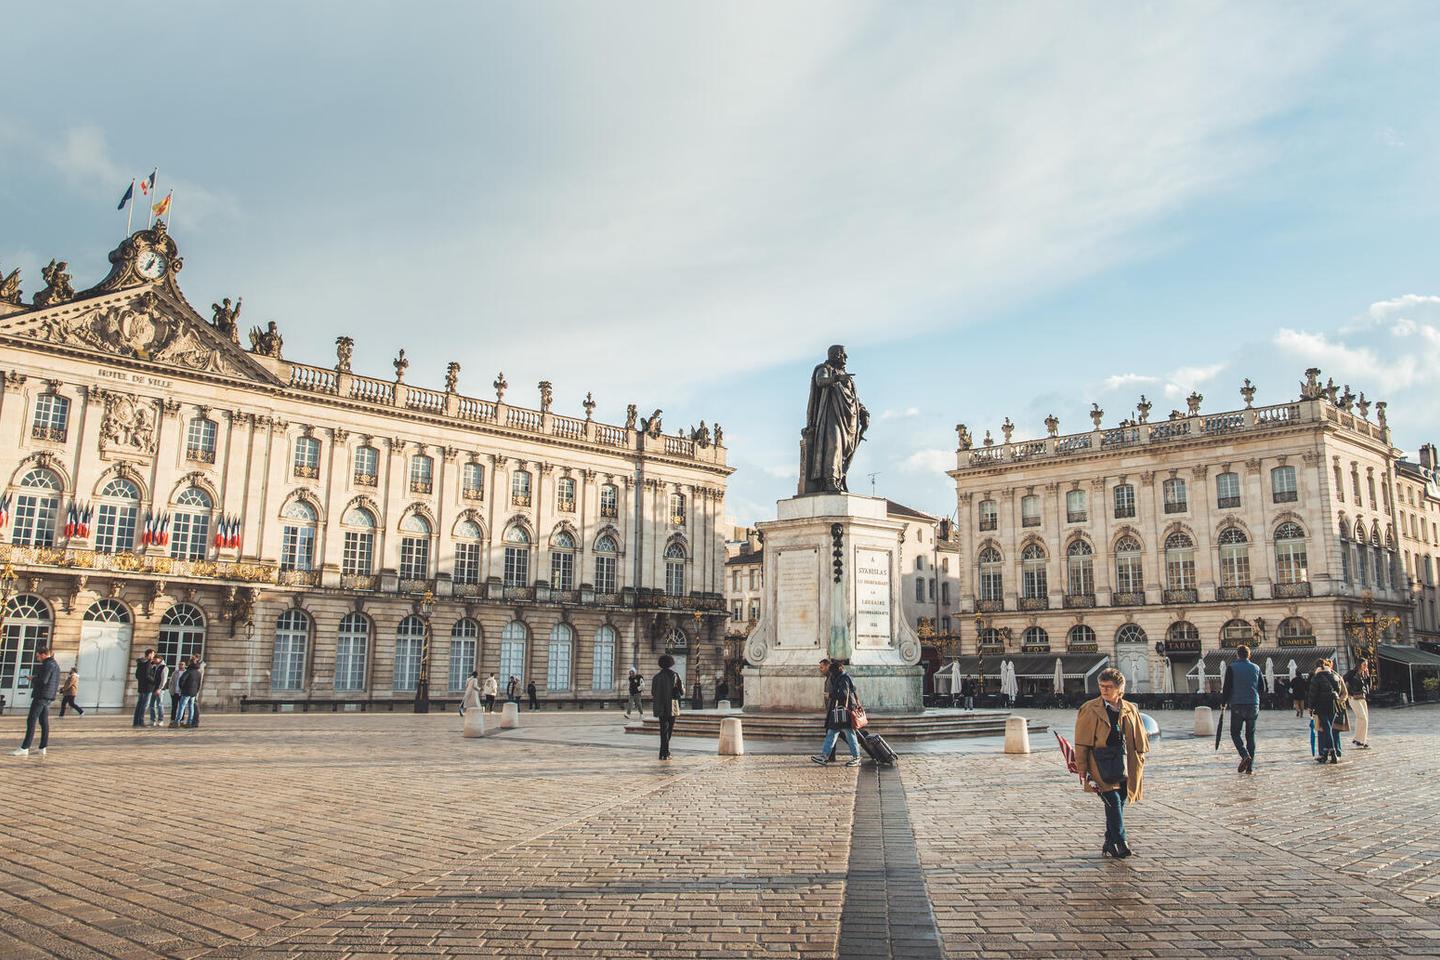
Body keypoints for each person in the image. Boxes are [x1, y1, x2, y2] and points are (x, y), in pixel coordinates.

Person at [1073, 667, 1149, 858]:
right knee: (1112, 800)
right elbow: (1081, 742)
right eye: (1101, 686)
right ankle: (1121, 841)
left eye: (1108, 687)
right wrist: (1082, 769)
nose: (1104, 690)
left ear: (1119, 689)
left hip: (1125, 762)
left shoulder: (1131, 709)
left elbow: (1140, 738)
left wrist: (1140, 759)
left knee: (1120, 800)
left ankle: (1109, 841)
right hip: (1099, 762)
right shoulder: (1089, 709)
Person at [811, 660, 862, 767]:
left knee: (850, 734)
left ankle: (857, 757)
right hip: (839, 711)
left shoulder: (843, 679)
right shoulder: (842, 677)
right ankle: (824, 756)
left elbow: (843, 695)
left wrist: (830, 695)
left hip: (846, 711)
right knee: (831, 733)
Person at [11, 646, 60, 758]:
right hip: (48, 696)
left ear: (43, 654)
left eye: (38, 656)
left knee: (31, 720)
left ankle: (25, 747)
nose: (37, 658)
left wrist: (32, 679)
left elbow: (43, 681)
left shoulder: (47, 664)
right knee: (43, 721)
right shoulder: (55, 664)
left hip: (41, 695)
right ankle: (42, 747)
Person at [1221, 645, 1264, 773]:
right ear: (1249, 655)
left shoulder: (1231, 668)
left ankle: (1245, 755)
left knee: (1235, 733)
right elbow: (1263, 688)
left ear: (1237, 655)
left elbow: (1227, 687)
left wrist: (1223, 703)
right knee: (1250, 735)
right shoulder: (1256, 668)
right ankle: (1250, 768)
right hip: (1253, 704)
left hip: (1237, 704)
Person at [1307, 658, 1344, 764]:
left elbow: (1312, 694)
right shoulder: (1334, 676)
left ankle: (1332, 753)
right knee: (1329, 728)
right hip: (1333, 705)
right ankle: (1325, 753)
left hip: (1321, 705)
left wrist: (1310, 707)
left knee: (1327, 729)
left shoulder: (1316, 678)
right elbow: (1338, 689)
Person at [651, 654, 684, 760]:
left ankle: (663, 752)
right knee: (669, 729)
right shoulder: (675, 675)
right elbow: (681, 691)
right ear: (671, 663)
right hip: (672, 705)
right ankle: (665, 752)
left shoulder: (656, 677)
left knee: (663, 729)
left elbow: (653, 692)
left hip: (660, 705)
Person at [1344, 660, 1372, 749]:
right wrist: (1346, 693)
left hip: (1362, 697)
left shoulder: (1364, 674)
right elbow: (1342, 680)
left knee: (1364, 719)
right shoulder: (1352, 673)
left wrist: (1368, 677)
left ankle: (1361, 740)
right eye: (1364, 664)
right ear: (1359, 664)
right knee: (1362, 717)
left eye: (1366, 665)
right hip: (1353, 697)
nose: (1365, 666)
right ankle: (1359, 740)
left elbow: (1368, 687)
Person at [133, 648, 158, 727]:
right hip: (148, 687)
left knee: (139, 704)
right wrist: (154, 681)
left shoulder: (140, 663)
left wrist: (142, 681)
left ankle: (136, 722)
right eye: (153, 654)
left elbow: (137, 675)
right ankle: (141, 721)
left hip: (141, 686)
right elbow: (147, 675)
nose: (153, 656)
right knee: (144, 705)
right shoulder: (148, 663)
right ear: (149, 654)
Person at [175, 660, 202, 727]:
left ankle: (177, 722)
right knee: (191, 707)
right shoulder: (198, 673)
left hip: (186, 692)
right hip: (193, 693)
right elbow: (199, 684)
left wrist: (182, 688)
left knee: (182, 707)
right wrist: (196, 691)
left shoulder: (188, 671)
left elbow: (182, 680)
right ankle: (189, 722)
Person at [150, 653, 169, 727]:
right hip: (153, 688)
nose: (154, 660)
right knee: (152, 705)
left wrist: (159, 688)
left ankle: (161, 720)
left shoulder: (164, 668)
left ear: (160, 659)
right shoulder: (154, 667)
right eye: (154, 659)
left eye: (155, 659)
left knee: (159, 704)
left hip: (159, 689)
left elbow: (164, 680)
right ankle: (153, 720)